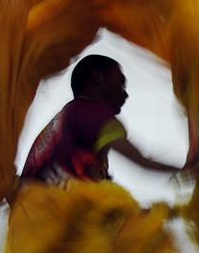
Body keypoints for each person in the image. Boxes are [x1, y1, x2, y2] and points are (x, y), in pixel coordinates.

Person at [21, 54, 180, 186]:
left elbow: (97, 183)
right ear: (97, 78)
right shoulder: (91, 113)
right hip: (52, 214)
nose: (126, 94)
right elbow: (142, 162)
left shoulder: (70, 116)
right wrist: (194, 167)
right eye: (121, 83)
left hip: (30, 214)